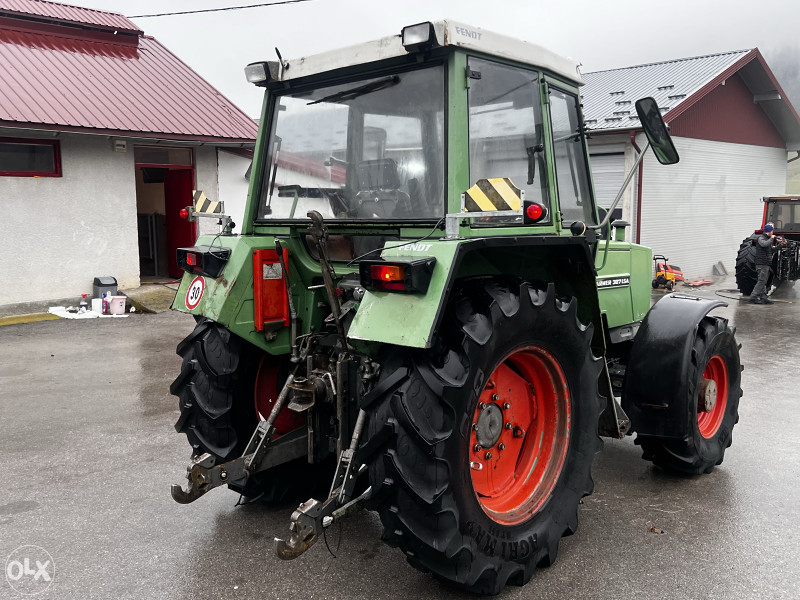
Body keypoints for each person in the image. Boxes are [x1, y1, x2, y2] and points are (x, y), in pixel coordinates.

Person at [749, 222, 781, 304]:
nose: (773, 233)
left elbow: (772, 249)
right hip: (761, 264)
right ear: (769, 232)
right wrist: (772, 239)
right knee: (761, 281)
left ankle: (763, 297)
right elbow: (764, 244)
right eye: (772, 231)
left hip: (765, 264)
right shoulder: (761, 238)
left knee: (764, 281)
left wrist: (780, 246)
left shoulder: (767, 240)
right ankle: (753, 297)